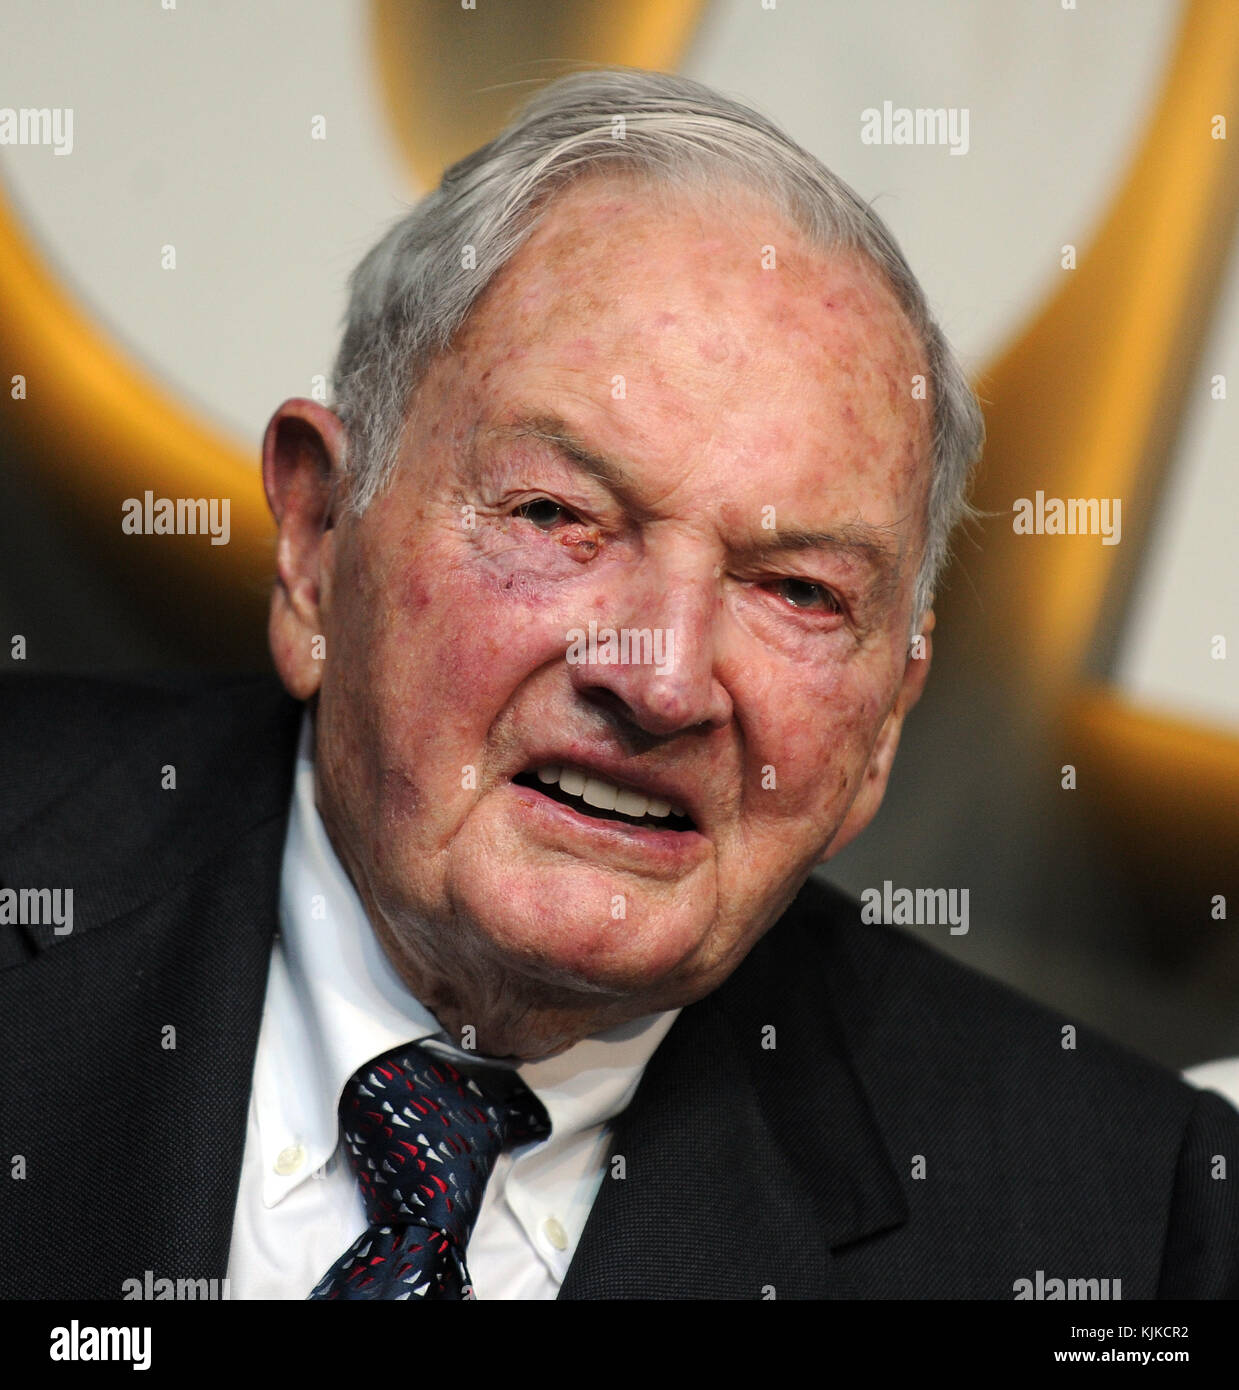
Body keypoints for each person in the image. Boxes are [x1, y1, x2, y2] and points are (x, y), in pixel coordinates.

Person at [1, 68, 1236, 1302]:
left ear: (884, 728)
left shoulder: (1127, 1232)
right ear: (320, 541)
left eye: (798, 591)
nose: (663, 680)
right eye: (556, 515)